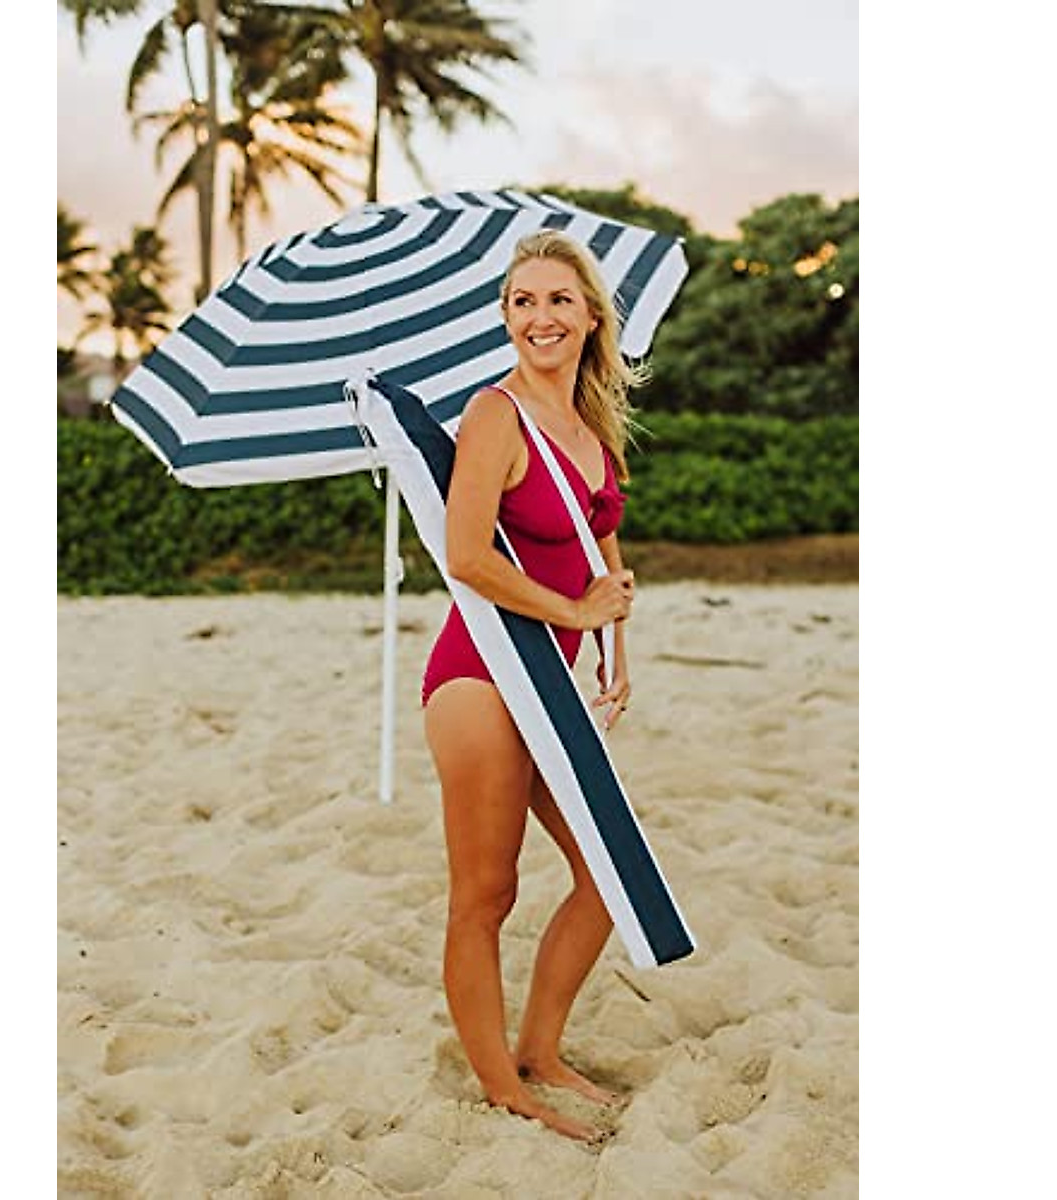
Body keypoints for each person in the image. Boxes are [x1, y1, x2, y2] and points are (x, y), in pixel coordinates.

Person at [421, 230, 643, 1141]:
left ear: (591, 317)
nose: (539, 317)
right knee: (487, 892)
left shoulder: (589, 428)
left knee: (608, 875)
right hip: (479, 677)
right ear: (506, 317)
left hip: (550, 681)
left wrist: (615, 639)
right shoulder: (495, 415)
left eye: (557, 300)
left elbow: (603, 545)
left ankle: (540, 1051)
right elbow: (467, 556)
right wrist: (575, 610)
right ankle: (501, 1086)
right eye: (522, 301)